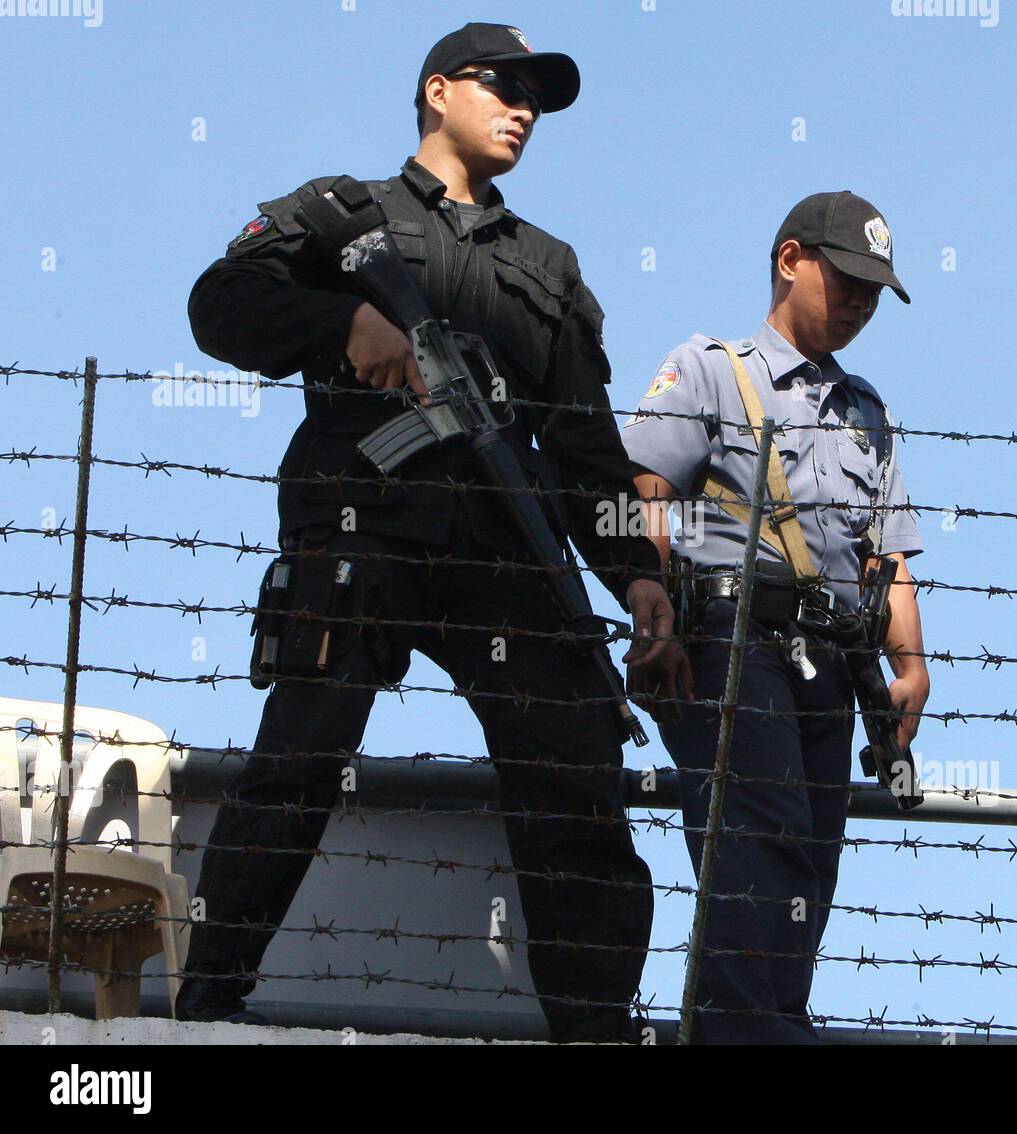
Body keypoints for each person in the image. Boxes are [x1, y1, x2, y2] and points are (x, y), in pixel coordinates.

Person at [176, 21, 686, 1043]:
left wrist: (634, 570)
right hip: (365, 526)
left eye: (537, 96)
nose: (524, 108)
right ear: (437, 90)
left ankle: (595, 1027)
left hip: (507, 549)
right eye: (504, 85)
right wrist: (341, 327)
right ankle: (207, 1003)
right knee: (301, 754)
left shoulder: (546, 266)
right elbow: (218, 303)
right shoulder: (338, 214)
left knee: (576, 770)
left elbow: (584, 442)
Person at [622, 191, 931, 1043]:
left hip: (831, 662)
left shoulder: (866, 411)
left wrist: (909, 666)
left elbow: (887, 556)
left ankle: (761, 1023)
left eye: (876, 292)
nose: (862, 304)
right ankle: (741, 1033)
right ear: (791, 259)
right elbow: (645, 493)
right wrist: (654, 615)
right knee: (757, 842)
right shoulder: (714, 367)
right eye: (848, 281)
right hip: (729, 638)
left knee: (808, 864)